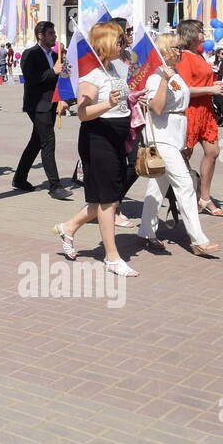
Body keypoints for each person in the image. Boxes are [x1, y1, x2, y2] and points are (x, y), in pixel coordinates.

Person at [51, 21, 139, 277]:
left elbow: (119, 101)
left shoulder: (112, 70)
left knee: (105, 198)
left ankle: (68, 228)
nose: (124, 45)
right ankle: (112, 257)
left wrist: (131, 98)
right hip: (98, 139)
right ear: (107, 43)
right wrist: (108, 104)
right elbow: (82, 112)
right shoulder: (92, 76)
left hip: (116, 138)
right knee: (108, 200)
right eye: (120, 41)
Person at [137, 33, 219, 256]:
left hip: (176, 133)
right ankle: (198, 239)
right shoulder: (157, 76)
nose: (180, 50)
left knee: (158, 186)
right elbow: (157, 107)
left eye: (181, 47)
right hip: (162, 135)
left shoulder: (177, 73)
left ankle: (146, 231)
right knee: (184, 184)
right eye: (176, 47)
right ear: (164, 50)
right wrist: (164, 79)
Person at [14, 21, 72, 200]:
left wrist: (65, 96)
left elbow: (61, 79)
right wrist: (52, 71)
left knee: (36, 142)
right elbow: (32, 79)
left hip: (52, 103)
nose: (54, 37)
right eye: (51, 34)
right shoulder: (30, 54)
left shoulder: (56, 55)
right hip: (38, 105)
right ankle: (55, 186)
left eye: (54, 33)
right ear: (40, 36)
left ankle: (19, 178)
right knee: (48, 142)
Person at [175, 19, 223, 217]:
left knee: (213, 151)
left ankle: (205, 196)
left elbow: (203, 80)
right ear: (191, 34)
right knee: (184, 155)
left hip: (205, 109)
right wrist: (210, 89)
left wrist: (216, 84)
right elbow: (184, 88)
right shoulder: (184, 57)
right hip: (190, 110)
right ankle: (185, 195)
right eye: (200, 31)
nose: (204, 34)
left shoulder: (199, 55)